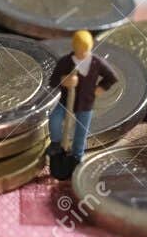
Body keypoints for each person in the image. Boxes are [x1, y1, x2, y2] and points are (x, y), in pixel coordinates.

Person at [48, 29, 115, 166]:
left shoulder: (96, 63)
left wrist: (100, 88)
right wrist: (64, 80)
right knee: (54, 120)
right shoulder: (65, 62)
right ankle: (56, 144)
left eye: (85, 51)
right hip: (65, 101)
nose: (82, 54)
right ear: (74, 47)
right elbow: (53, 81)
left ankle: (77, 157)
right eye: (79, 51)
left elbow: (111, 77)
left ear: (90, 48)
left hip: (85, 104)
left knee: (81, 133)